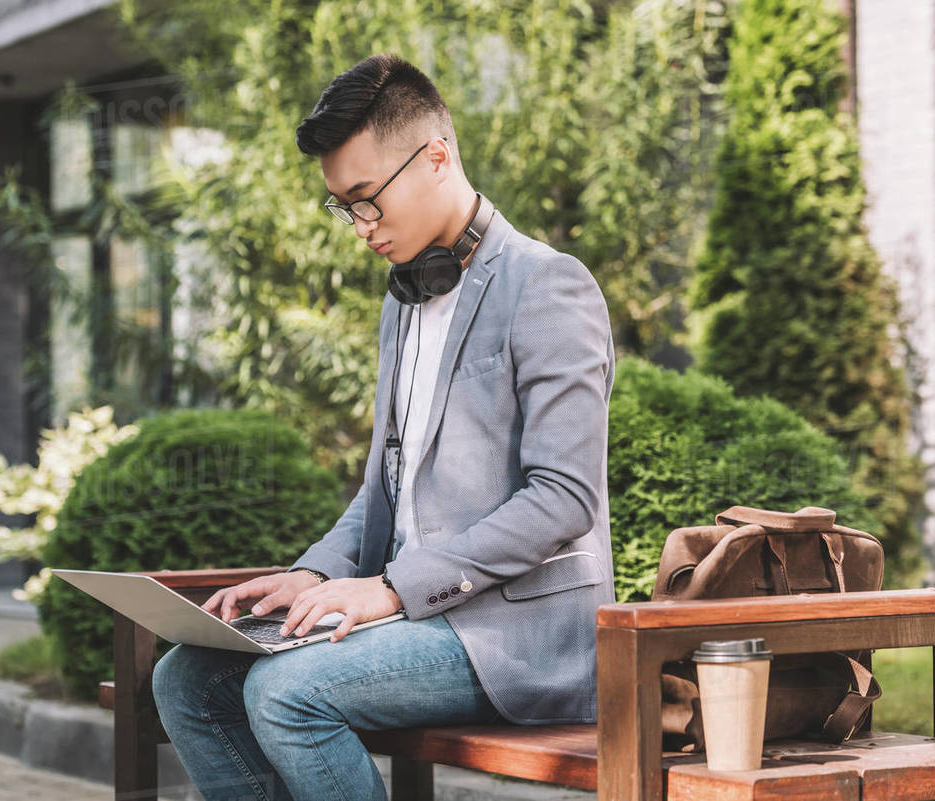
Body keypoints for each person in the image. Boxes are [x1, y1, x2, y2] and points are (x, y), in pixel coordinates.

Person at [152, 53, 616, 801]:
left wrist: (393, 590)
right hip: (414, 618)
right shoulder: (402, 303)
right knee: (186, 678)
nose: (361, 227)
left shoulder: (548, 284)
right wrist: (311, 574)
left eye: (367, 198)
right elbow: (384, 492)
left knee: (286, 691)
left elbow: (563, 498)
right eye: (344, 207)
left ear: (436, 155)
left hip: (518, 639)